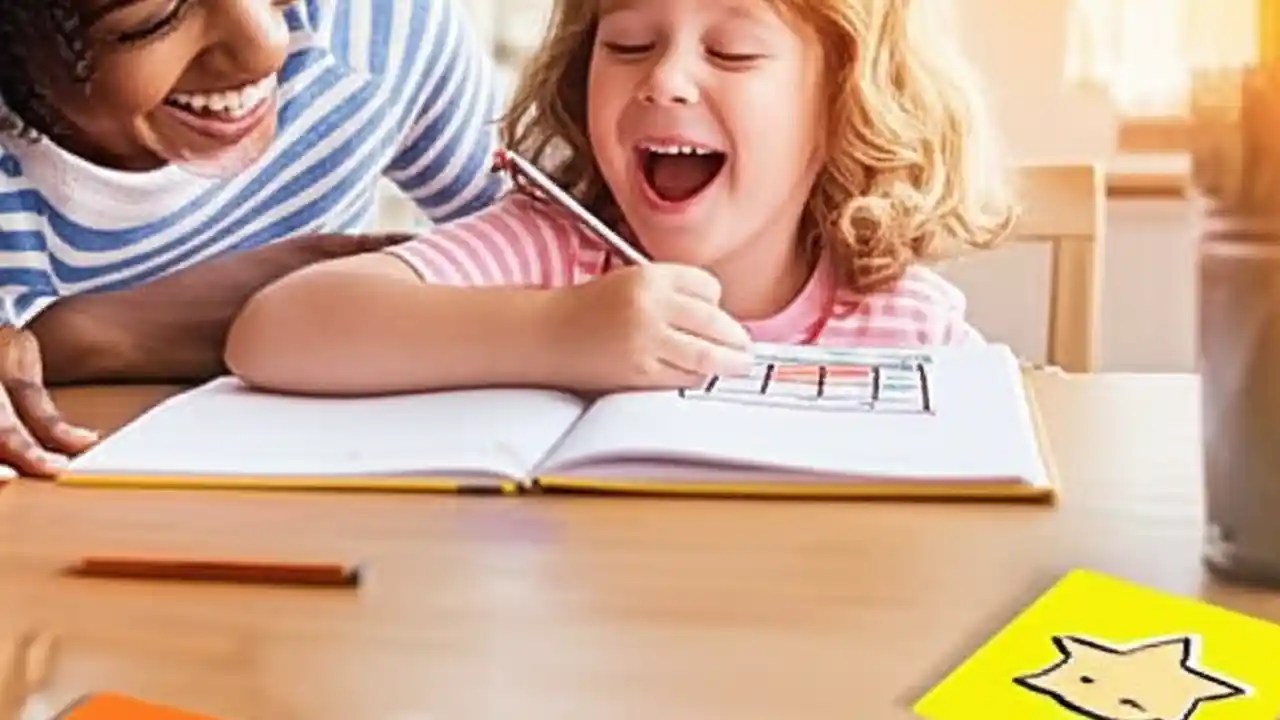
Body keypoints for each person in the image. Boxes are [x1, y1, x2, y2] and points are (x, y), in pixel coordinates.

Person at [224, 0, 1017, 396]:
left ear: (843, 106)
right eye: (628, 45)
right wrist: (555, 332)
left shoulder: (903, 319)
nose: (664, 80)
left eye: (733, 52)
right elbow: (274, 330)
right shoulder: (547, 249)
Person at [0, 0, 506, 475]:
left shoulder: (376, 25)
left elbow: (557, 236)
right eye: (156, 18)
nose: (264, 45)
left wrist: (81, 335)